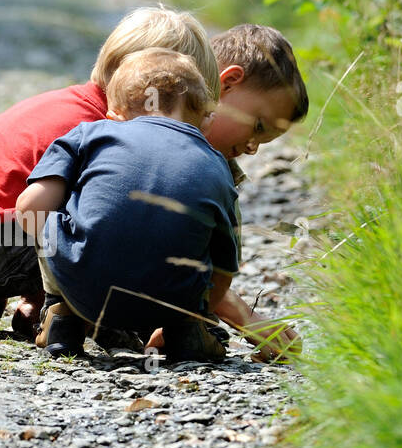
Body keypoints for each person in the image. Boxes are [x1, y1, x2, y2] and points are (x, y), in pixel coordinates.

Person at [0, 5, 217, 346]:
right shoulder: (101, 131)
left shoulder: (67, 102)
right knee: (108, 235)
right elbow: (97, 221)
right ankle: (76, 317)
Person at [15, 50, 239, 360]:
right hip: (172, 303)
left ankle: (61, 316)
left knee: (53, 216)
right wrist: (198, 309)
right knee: (208, 228)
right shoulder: (217, 163)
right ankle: (188, 327)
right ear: (206, 120)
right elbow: (226, 264)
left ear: (114, 114)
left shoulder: (91, 133)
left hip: (86, 294)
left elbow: (30, 209)